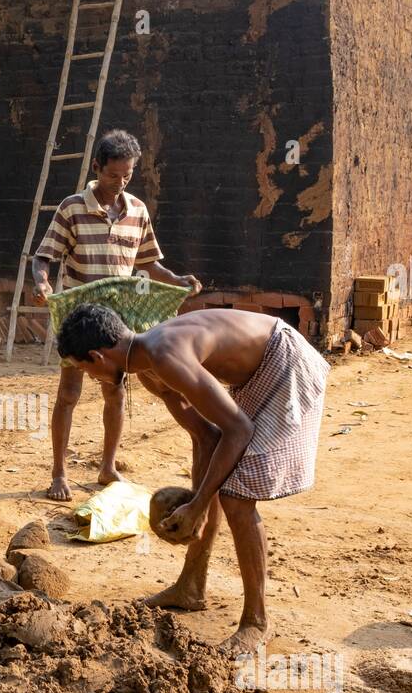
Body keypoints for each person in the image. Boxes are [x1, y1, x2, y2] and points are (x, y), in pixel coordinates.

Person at [56, 304, 330, 653]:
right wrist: (196, 502)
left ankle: (256, 622)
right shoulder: (147, 369)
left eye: (85, 369)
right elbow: (207, 437)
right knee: (219, 481)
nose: (92, 379)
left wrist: (200, 504)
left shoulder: (164, 355)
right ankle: (191, 586)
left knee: (236, 497)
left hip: (287, 362)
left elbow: (238, 430)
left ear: (97, 356)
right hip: (258, 372)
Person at [31, 128, 200, 501]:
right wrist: (42, 283)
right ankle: (59, 473)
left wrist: (177, 280)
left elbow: (151, 263)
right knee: (69, 393)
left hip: (117, 321)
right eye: (113, 175)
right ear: (96, 167)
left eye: (127, 175)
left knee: (116, 390)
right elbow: (43, 256)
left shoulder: (137, 211)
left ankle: (107, 468)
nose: (119, 183)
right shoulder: (72, 207)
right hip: (78, 319)